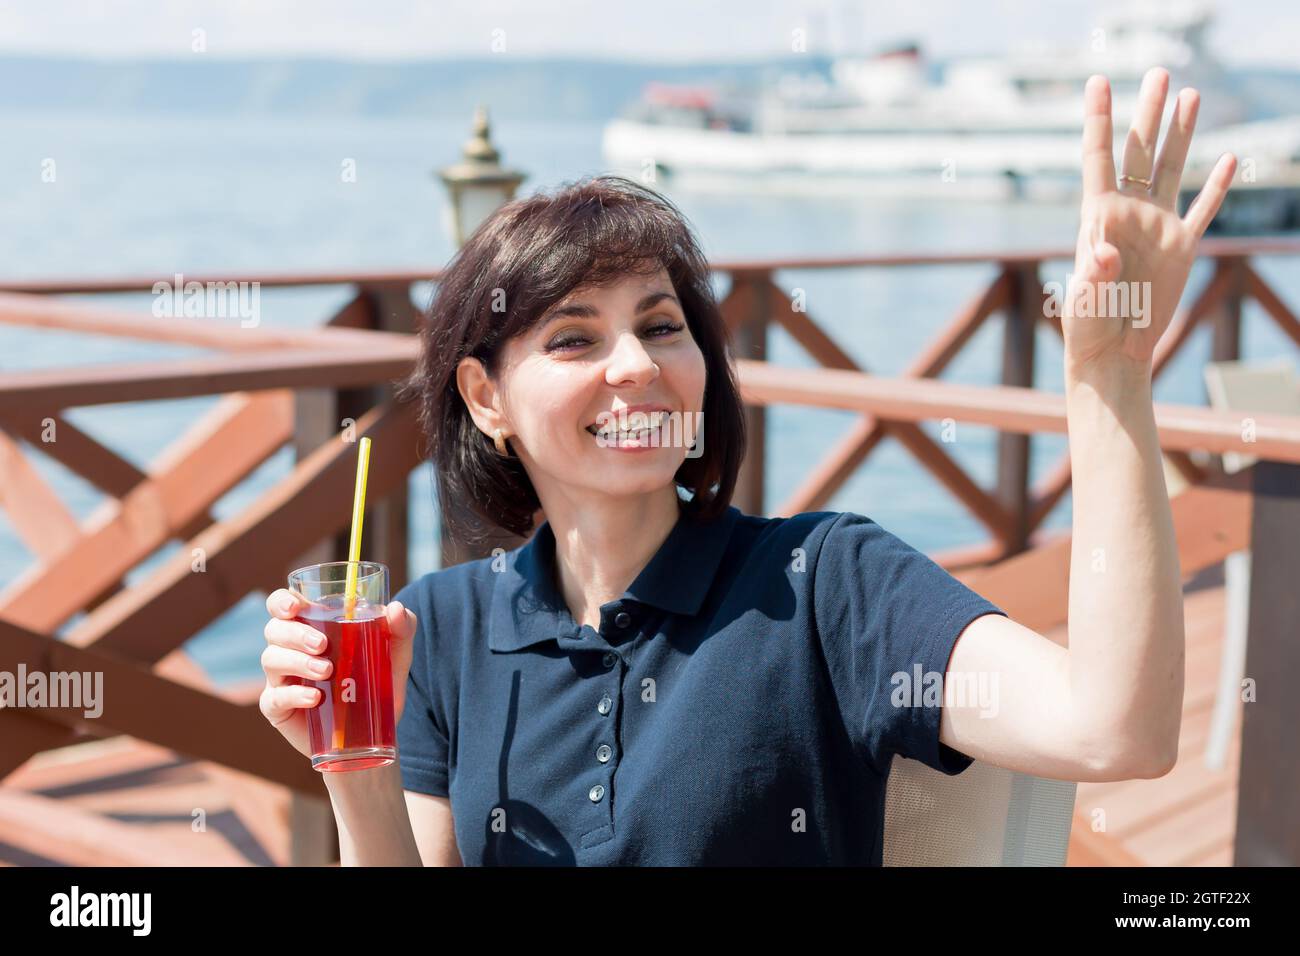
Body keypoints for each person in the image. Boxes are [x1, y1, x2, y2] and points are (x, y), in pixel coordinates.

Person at [259, 69, 1236, 865]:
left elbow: (1115, 728)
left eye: (659, 325)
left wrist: (1108, 384)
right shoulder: (437, 629)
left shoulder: (826, 585)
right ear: (483, 397)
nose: (636, 364)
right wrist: (358, 763)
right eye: (573, 338)